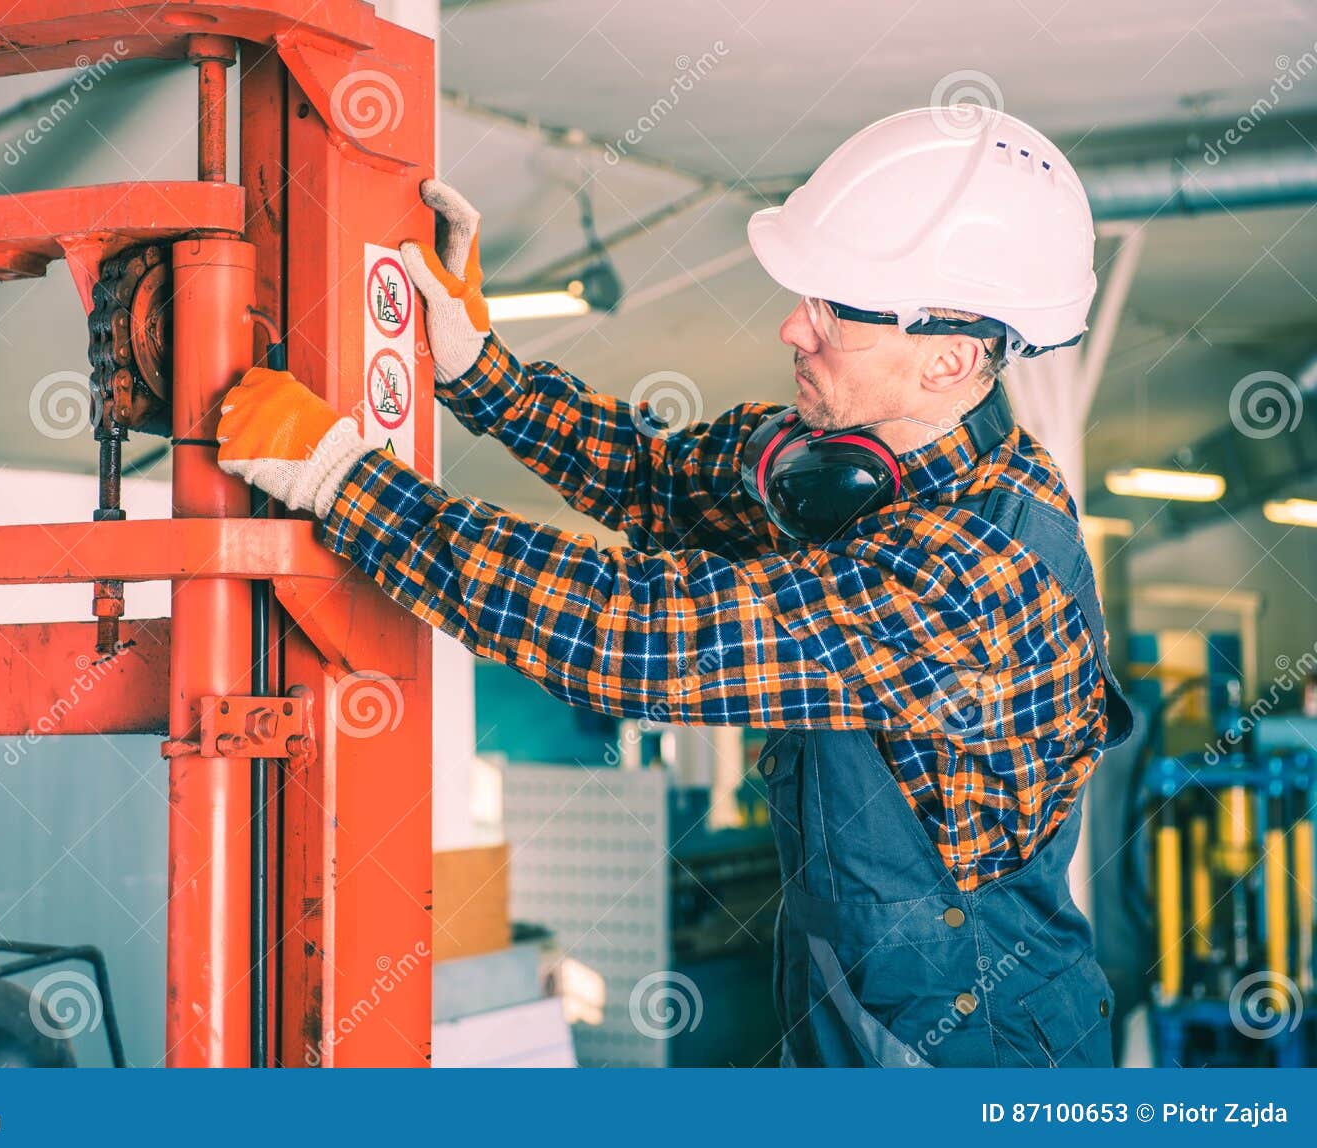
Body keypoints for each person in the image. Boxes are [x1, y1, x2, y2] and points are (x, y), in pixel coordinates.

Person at [214, 106, 1134, 1067]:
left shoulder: (976, 575)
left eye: (836, 310)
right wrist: (480, 371)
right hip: (839, 1002)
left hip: (966, 1048)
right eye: (806, 295)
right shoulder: (847, 466)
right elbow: (657, 475)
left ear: (949, 355)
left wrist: (345, 484)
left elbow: (639, 637)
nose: (793, 326)